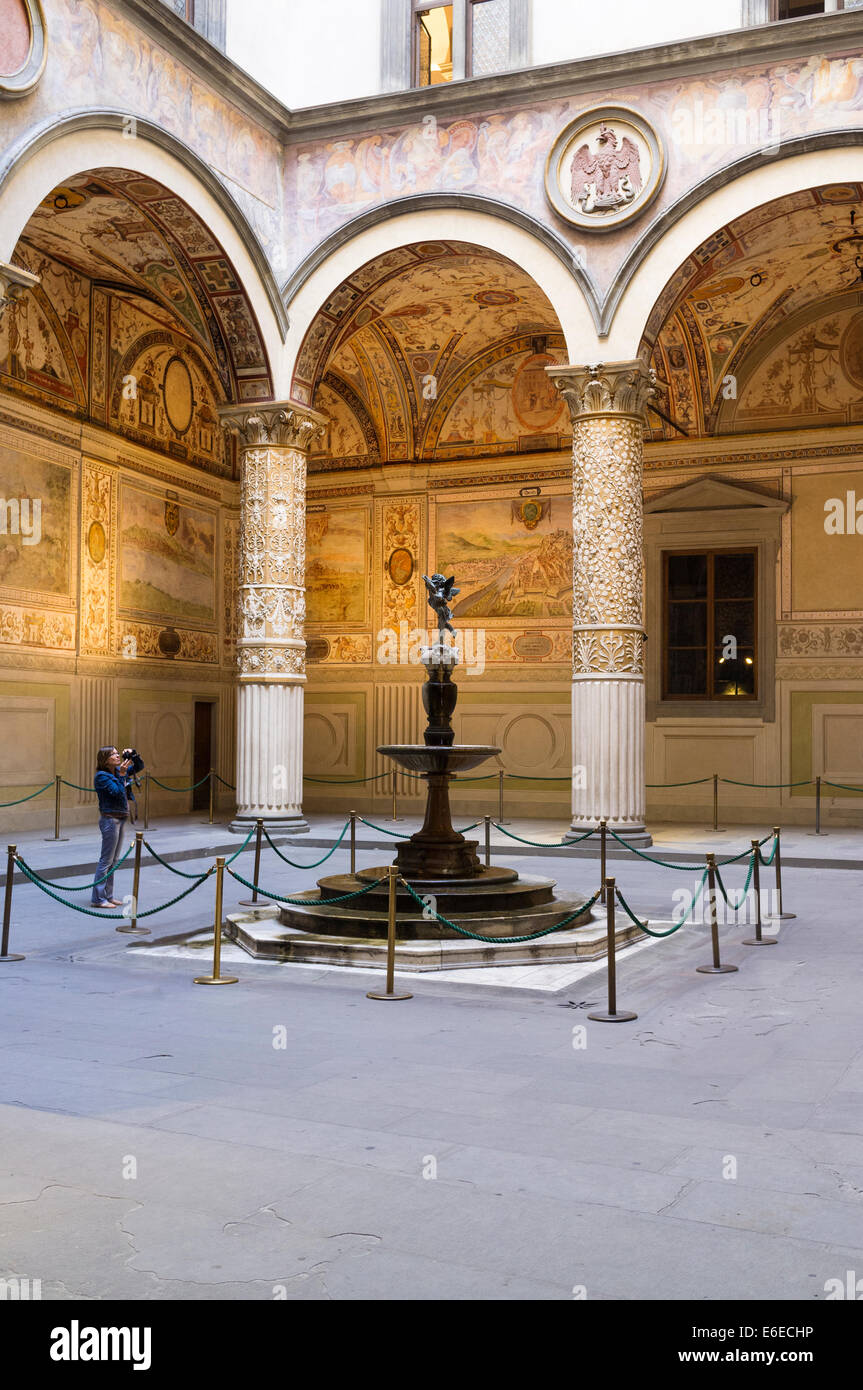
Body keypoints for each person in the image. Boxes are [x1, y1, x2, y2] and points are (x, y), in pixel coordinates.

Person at [91, 746, 145, 908]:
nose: (117, 755)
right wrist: (122, 775)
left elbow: (139, 767)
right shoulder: (102, 776)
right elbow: (116, 792)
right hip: (110, 820)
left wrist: (133, 754)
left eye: (117, 753)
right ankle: (98, 899)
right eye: (112, 754)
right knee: (106, 860)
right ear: (105, 760)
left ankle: (108, 896)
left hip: (120, 819)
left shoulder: (117, 771)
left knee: (113, 861)